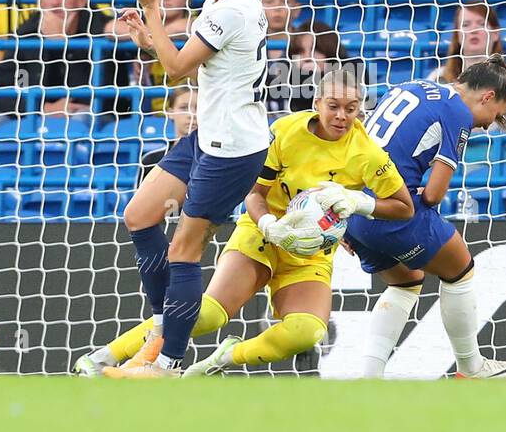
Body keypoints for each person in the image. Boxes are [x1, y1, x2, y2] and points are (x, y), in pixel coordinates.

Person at [95, 69, 415, 378]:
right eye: (333, 106)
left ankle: (225, 357)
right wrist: (267, 224)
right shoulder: (284, 132)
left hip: (309, 254)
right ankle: (106, 358)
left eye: (351, 108)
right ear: (317, 103)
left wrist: (360, 202)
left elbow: (404, 207)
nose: (342, 116)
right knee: (207, 313)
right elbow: (254, 193)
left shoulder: (368, 154)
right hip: (262, 235)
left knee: (306, 332)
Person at [75, 0, 272, 378]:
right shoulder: (221, 1)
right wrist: (148, 34)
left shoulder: (233, 11)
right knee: (140, 214)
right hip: (207, 136)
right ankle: (162, 326)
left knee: (184, 249)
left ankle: (166, 362)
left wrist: (154, 11)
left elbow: (178, 68)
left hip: (232, 148)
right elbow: (187, 55)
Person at [348, 59, 506, 379]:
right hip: (394, 211)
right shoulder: (457, 112)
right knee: (461, 267)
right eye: (495, 115)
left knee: (407, 281)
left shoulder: (409, 85)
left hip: (353, 208)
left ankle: (368, 377)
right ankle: (471, 367)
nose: (488, 125)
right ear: (487, 96)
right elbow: (433, 195)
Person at [0, 0, 123, 118]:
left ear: (81, 0)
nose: (55, 2)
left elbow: (95, 95)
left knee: (82, 116)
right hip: (39, 116)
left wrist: (63, 43)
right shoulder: (26, 34)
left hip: (90, 118)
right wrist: (44, 108)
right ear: (39, 1)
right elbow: (2, 93)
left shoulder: (97, 24)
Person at [430, 3, 506, 86]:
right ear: (457, 35)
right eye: (465, 25)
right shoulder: (438, 76)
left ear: (495, 33)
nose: (473, 30)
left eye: (481, 24)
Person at [140, 85, 199, 172]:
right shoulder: (152, 160)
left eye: (198, 108)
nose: (192, 114)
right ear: (170, 113)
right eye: (184, 108)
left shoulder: (215, 159)